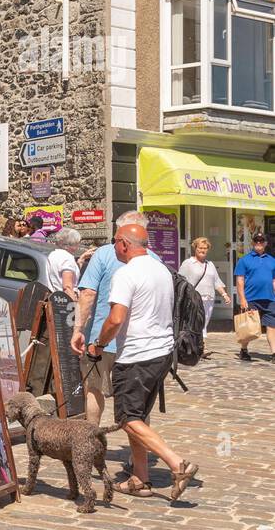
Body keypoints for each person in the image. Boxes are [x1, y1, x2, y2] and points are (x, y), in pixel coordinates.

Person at [87, 222, 197, 501]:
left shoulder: (126, 274)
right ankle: (140, 478)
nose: (114, 248)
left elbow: (116, 318)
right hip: (161, 353)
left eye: (115, 242)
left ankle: (177, 464)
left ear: (124, 243)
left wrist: (98, 345)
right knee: (137, 418)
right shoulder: (161, 269)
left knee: (127, 418)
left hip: (137, 355)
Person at [72, 210, 155, 427]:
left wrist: (77, 329)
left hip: (103, 336)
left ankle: (91, 438)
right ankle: (138, 453)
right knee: (138, 400)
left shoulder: (104, 254)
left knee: (94, 389)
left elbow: (87, 294)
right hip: (140, 342)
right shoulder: (155, 260)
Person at [180, 237, 231, 357]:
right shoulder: (188, 263)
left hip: (209, 298)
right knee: (196, 322)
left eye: (205, 248)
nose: (202, 250)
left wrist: (224, 295)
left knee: (204, 323)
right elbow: (180, 280)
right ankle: (198, 347)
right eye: (200, 248)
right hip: (194, 298)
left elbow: (216, 281)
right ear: (195, 248)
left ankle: (198, 346)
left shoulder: (210, 265)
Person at [234, 230, 275, 362]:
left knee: (272, 326)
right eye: (256, 241)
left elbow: (274, 280)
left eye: (261, 241)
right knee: (249, 327)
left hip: (269, 299)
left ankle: (274, 353)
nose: (259, 243)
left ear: (265, 243)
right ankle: (244, 350)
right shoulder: (244, 260)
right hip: (251, 298)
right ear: (252, 243)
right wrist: (242, 299)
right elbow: (240, 281)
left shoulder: (272, 260)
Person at [46, 227, 82, 300]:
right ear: (72, 244)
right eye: (78, 242)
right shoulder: (67, 258)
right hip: (64, 301)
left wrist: (80, 261)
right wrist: (74, 306)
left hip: (53, 297)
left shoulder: (53, 254)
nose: (79, 245)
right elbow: (67, 287)